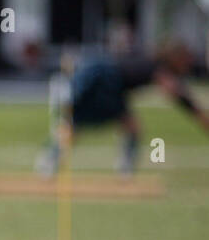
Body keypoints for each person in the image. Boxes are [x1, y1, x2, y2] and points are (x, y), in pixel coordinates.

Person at [38, 41, 209, 176]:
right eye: (186, 59)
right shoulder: (159, 69)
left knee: (80, 124)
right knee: (125, 125)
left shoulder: (152, 62)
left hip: (108, 81)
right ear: (176, 57)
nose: (188, 63)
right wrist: (200, 116)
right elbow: (178, 94)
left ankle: (50, 160)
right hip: (107, 82)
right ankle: (124, 168)